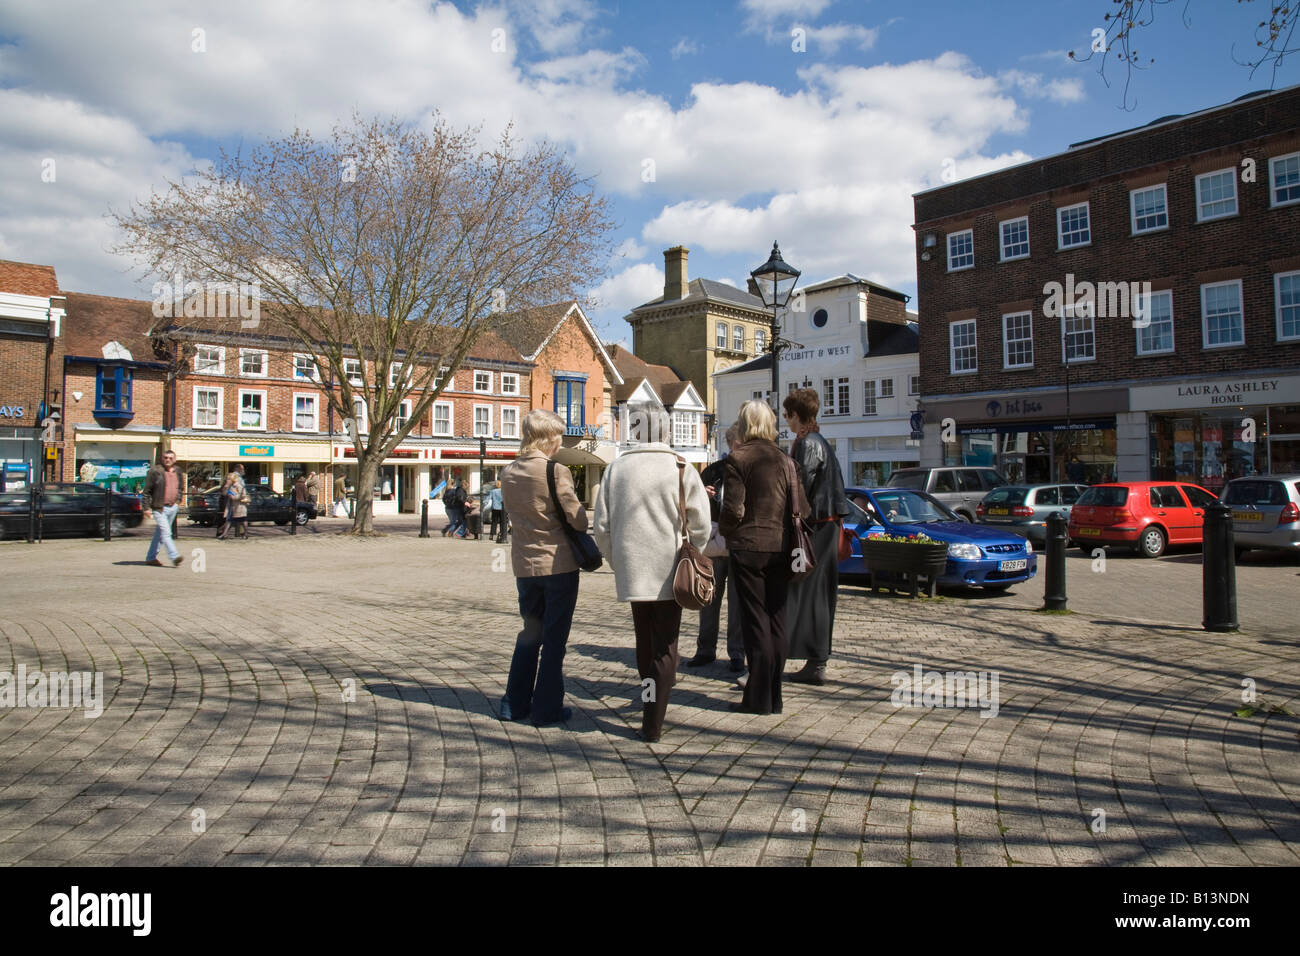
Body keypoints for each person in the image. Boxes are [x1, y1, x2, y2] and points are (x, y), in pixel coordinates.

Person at [593, 409, 710, 743]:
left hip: (634, 569)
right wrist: (692, 553)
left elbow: (602, 526)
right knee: (666, 646)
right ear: (666, 431)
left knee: (644, 644)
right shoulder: (680, 466)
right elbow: (700, 521)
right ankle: (653, 721)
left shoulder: (617, 468)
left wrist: (618, 559)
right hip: (671, 568)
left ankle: (649, 710)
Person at [719, 400, 809, 715]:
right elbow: (804, 510)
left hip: (749, 549)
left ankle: (758, 700)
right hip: (782, 548)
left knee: (756, 623)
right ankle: (775, 696)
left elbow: (734, 509)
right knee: (777, 621)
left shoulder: (738, 458)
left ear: (744, 425)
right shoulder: (785, 461)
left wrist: (728, 531)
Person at [499, 410, 587, 726]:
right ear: (550, 438)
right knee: (554, 639)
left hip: (524, 564)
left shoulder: (508, 471)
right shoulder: (555, 471)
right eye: (559, 436)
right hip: (558, 564)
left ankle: (514, 703)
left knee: (530, 633)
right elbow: (578, 519)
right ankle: (546, 708)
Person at [782, 387, 848, 685]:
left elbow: (799, 489)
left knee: (801, 593)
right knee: (819, 595)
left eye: (787, 415)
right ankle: (816, 661)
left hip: (817, 526)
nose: (786, 421)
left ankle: (793, 658)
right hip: (827, 525)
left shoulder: (808, 444)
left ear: (796, 415)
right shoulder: (819, 441)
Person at [687, 423, 746, 673]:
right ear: (730, 444)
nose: (739, 449)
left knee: (737, 602)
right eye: (737, 444)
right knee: (708, 598)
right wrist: (704, 495)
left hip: (741, 543)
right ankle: (705, 649)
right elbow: (694, 504)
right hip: (714, 542)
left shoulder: (750, 471)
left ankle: (737, 652)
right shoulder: (713, 471)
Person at [144, 450, 184, 568]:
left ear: (175, 459)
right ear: (162, 459)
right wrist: (145, 507)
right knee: (166, 533)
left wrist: (179, 499)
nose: (168, 460)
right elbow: (147, 491)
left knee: (160, 534)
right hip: (159, 507)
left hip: (173, 507)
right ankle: (174, 556)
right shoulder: (155, 471)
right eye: (166, 457)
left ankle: (151, 558)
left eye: (171, 458)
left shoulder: (178, 471)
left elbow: (181, 487)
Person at [221, 464, 249, 540]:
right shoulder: (236, 481)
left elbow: (238, 493)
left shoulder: (238, 483)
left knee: (238, 519)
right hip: (236, 503)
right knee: (235, 518)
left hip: (238, 503)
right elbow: (230, 490)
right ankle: (225, 534)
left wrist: (230, 494)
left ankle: (225, 534)